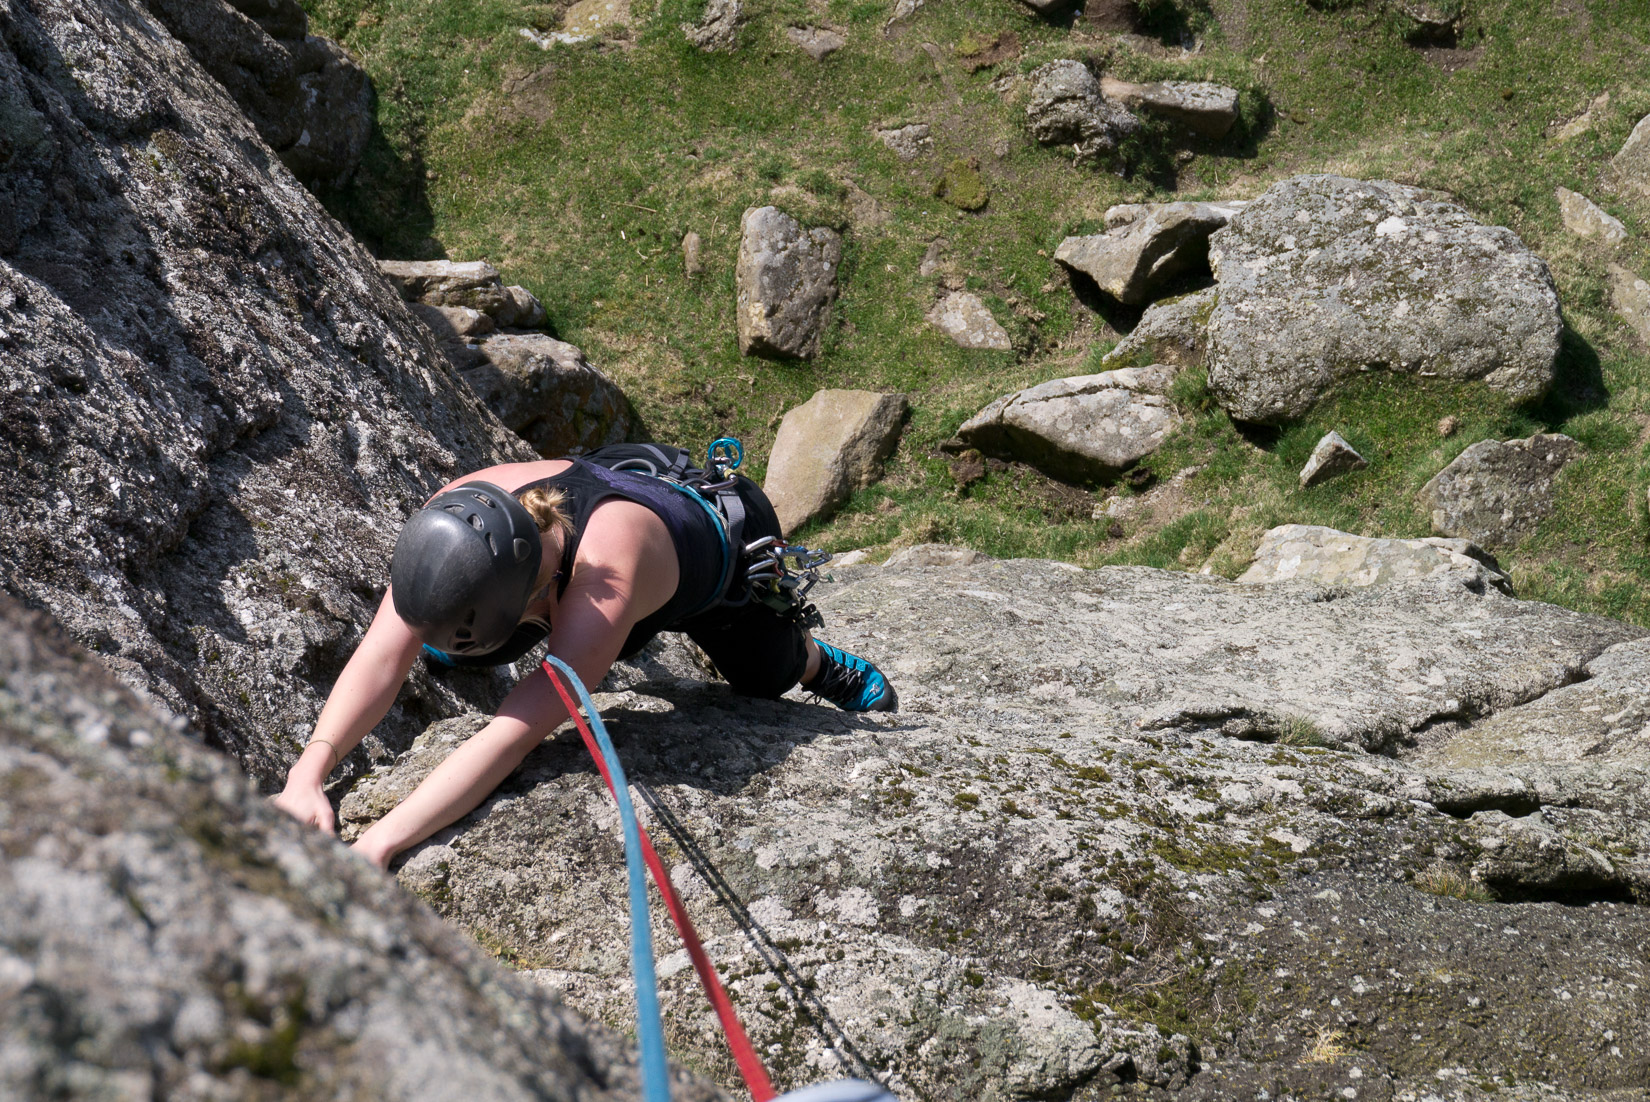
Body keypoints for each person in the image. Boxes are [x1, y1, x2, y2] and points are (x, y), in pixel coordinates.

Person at [272, 443, 895, 869]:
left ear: (535, 599)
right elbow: (383, 652)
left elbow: (511, 736)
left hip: (722, 558)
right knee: (443, 632)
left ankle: (816, 660)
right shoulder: (461, 514)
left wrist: (378, 845)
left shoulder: (603, 594)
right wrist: (306, 775)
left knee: (766, 676)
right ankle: (470, 642)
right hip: (619, 480)